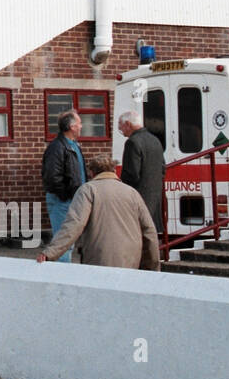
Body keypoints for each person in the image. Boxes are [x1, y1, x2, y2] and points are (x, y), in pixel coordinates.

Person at [36, 154, 160, 270]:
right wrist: (152, 266)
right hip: (131, 257)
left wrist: (50, 253)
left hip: (100, 258)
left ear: (92, 172)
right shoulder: (132, 192)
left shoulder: (88, 190)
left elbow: (74, 224)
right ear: (115, 170)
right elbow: (149, 230)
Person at [41, 109, 86, 263]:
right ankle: (61, 275)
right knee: (63, 242)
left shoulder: (73, 145)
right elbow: (52, 177)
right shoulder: (57, 147)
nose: (82, 126)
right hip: (63, 201)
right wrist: (65, 195)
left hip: (73, 199)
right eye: (79, 123)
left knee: (69, 240)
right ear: (72, 127)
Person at [119, 110, 165, 235]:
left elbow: (131, 174)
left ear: (128, 124)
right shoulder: (155, 140)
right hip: (155, 199)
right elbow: (162, 168)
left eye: (120, 126)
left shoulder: (132, 142)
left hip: (139, 199)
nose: (120, 130)